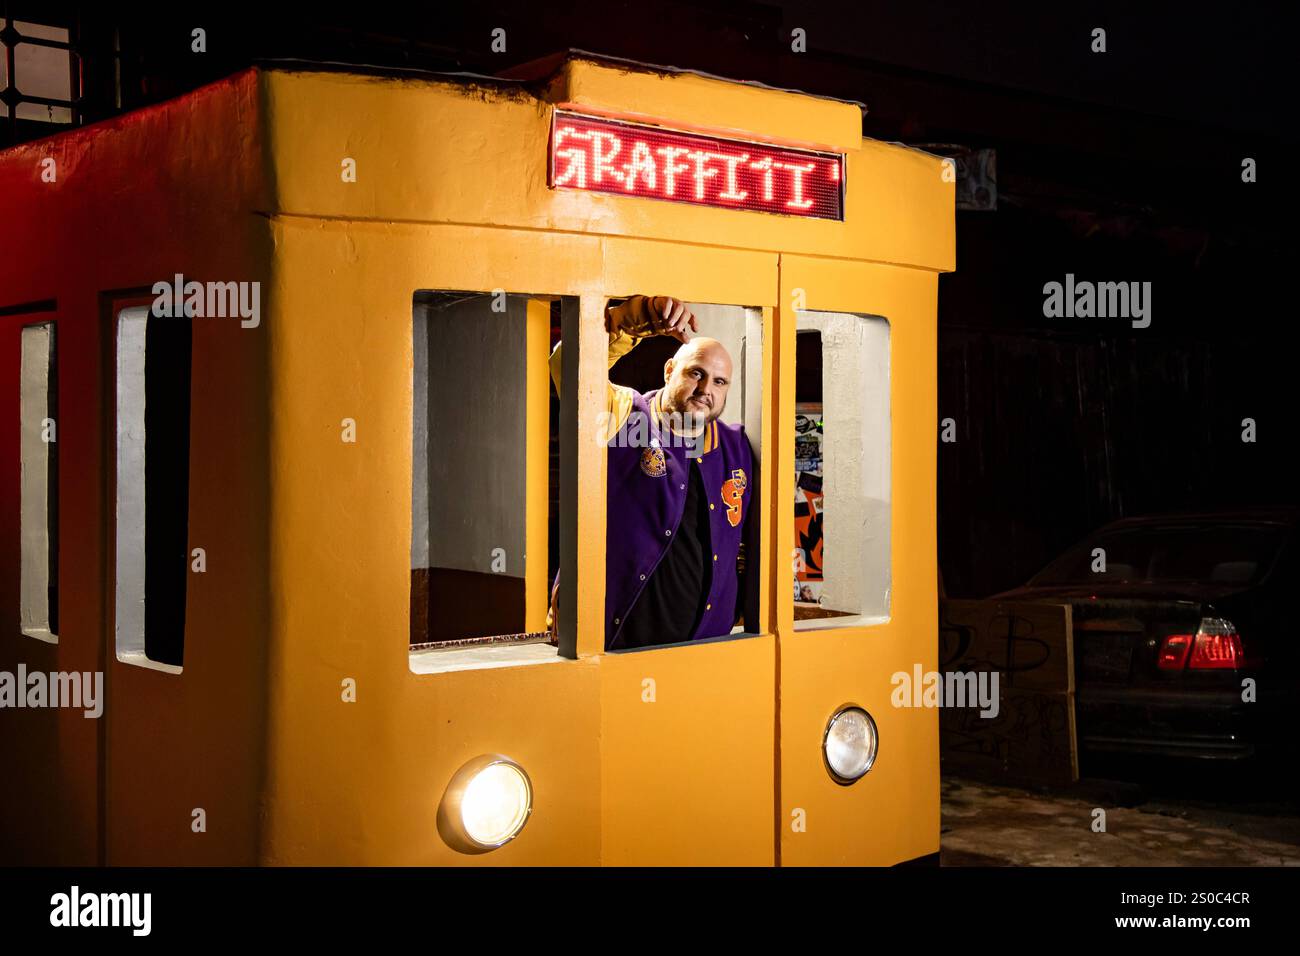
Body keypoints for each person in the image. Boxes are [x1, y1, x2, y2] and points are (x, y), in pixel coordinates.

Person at [547, 295, 758, 650]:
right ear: (669, 371)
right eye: (696, 373)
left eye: (720, 382)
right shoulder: (625, 415)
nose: (706, 389)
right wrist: (627, 322)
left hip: (704, 651)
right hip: (612, 644)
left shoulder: (738, 446)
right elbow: (570, 365)